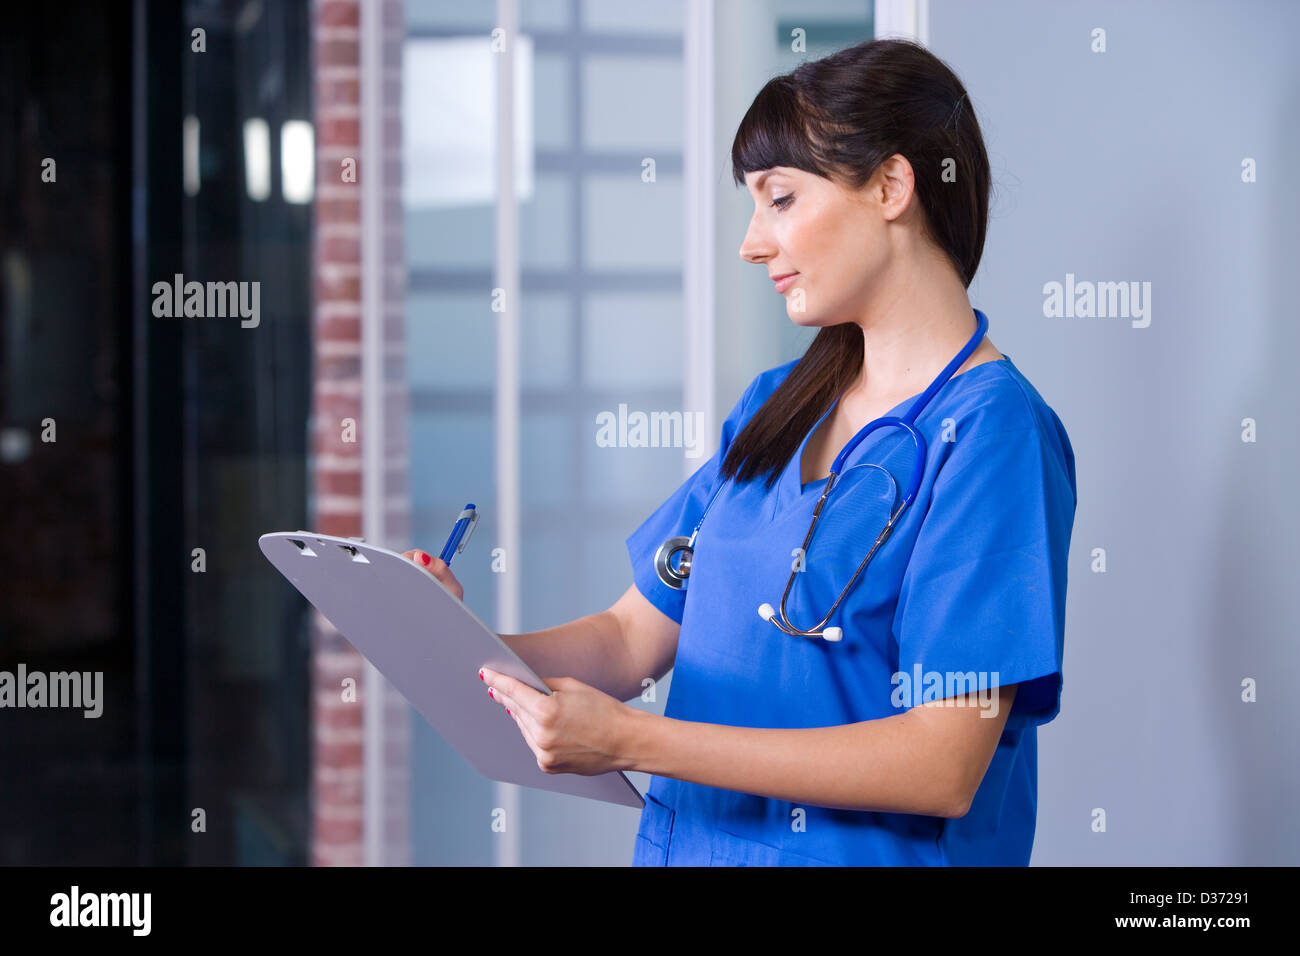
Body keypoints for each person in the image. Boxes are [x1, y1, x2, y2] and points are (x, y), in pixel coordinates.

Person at [406, 37, 1076, 866]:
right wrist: (447, 636)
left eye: (781, 199)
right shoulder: (776, 407)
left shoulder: (990, 435)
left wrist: (635, 741)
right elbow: (627, 640)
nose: (752, 243)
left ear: (893, 187)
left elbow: (943, 764)